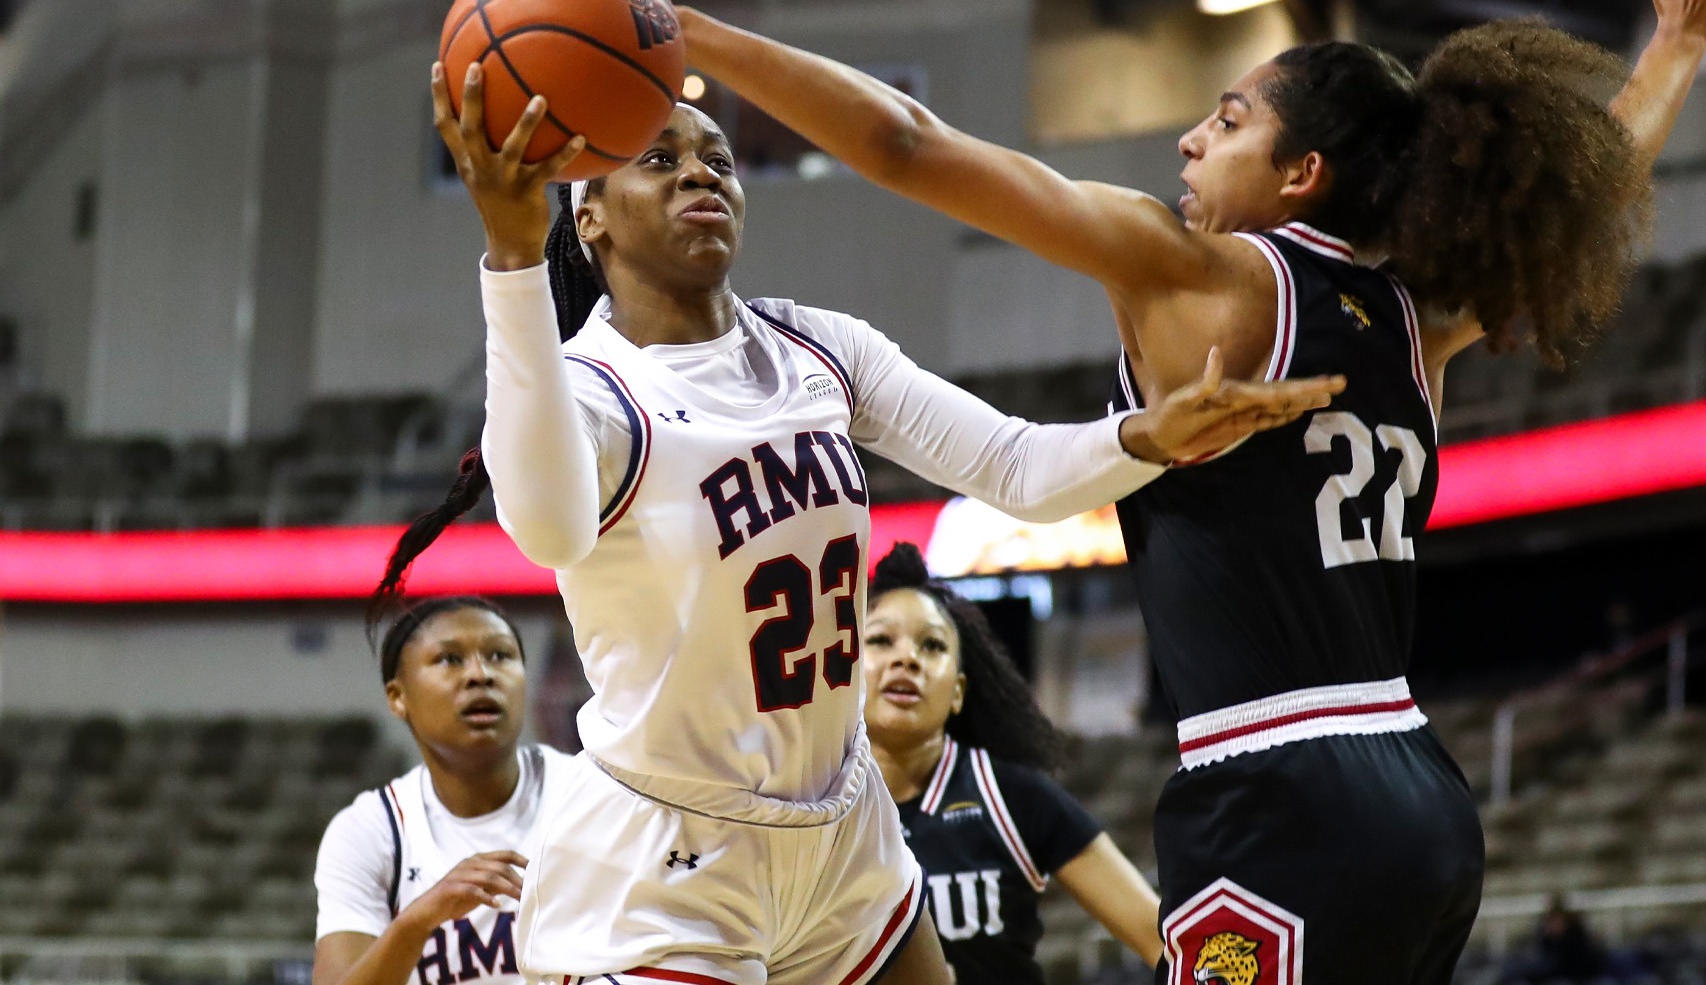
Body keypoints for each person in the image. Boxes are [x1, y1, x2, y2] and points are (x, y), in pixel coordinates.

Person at [673, 0, 1706, 980]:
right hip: (1421, 799)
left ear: (1303, 176)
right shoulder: (1420, 317)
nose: (1193, 139)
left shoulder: (1201, 277)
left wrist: (698, 36)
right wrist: (1677, 44)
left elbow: (906, 143)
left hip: (1278, 794)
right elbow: (1586, 195)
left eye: (1231, 118)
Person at [381, 67, 1344, 985]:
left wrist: (1144, 435)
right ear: (587, 214)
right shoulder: (590, 391)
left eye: (717, 158)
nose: (700, 174)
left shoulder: (820, 347)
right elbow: (546, 530)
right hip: (671, 848)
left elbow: (1012, 467)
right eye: (661, 160)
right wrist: (511, 261)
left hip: (842, 826)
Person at [863, 542, 1161, 984]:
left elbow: (1163, 941)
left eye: (932, 645)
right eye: (880, 640)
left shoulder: (1011, 797)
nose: (906, 658)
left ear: (959, 691)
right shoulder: (811, 808)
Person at [314, 597, 568, 985]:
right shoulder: (370, 830)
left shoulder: (586, 791)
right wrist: (419, 918)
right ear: (398, 697)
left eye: (500, 655)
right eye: (450, 659)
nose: (480, 674)